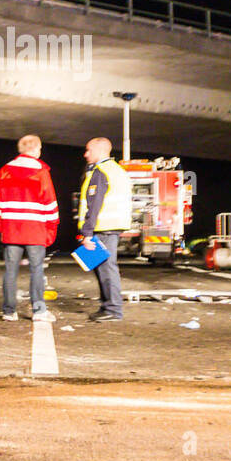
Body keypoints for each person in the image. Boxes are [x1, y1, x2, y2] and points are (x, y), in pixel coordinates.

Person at [0, 135, 59, 321]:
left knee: (10, 270)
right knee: (36, 269)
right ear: (37, 148)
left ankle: (8, 311)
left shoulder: (5, 170)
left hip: (12, 227)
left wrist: (1, 226)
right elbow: (49, 202)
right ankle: (38, 310)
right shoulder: (41, 171)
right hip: (35, 229)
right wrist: (51, 229)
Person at [78, 137, 133, 322]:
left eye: (88, 150)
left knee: (106, 268)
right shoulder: (117, 170)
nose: (86, 154)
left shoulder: (100, 171)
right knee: (101, 267)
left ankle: (113, 309)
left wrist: (87, 233)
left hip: (103, 227)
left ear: (100, 151)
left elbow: (94, 205)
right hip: (112, 226)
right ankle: (107, 306)